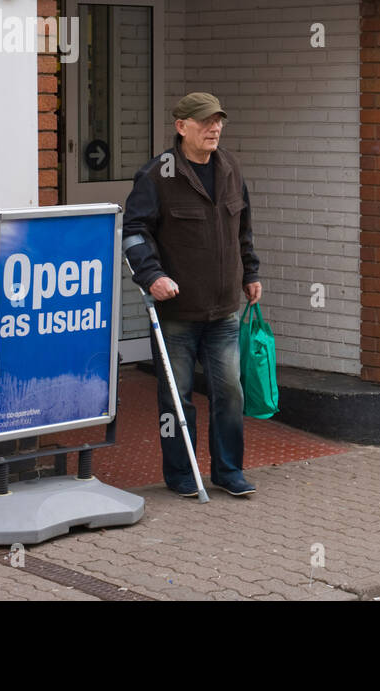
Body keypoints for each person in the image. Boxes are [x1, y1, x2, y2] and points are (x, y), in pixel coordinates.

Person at [123, 92, 262, 497]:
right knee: (176, 399)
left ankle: (229, 471)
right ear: (181, 126)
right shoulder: (156, 176)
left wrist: (250, 271)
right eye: (204, 121)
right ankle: (182, 474)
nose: (213, 128)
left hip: (223, 310)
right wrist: (151, 275)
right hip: (176, 312)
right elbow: (133, 231)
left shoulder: (231, 168)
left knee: (230, 393)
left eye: (218, 120)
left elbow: (243, 228)